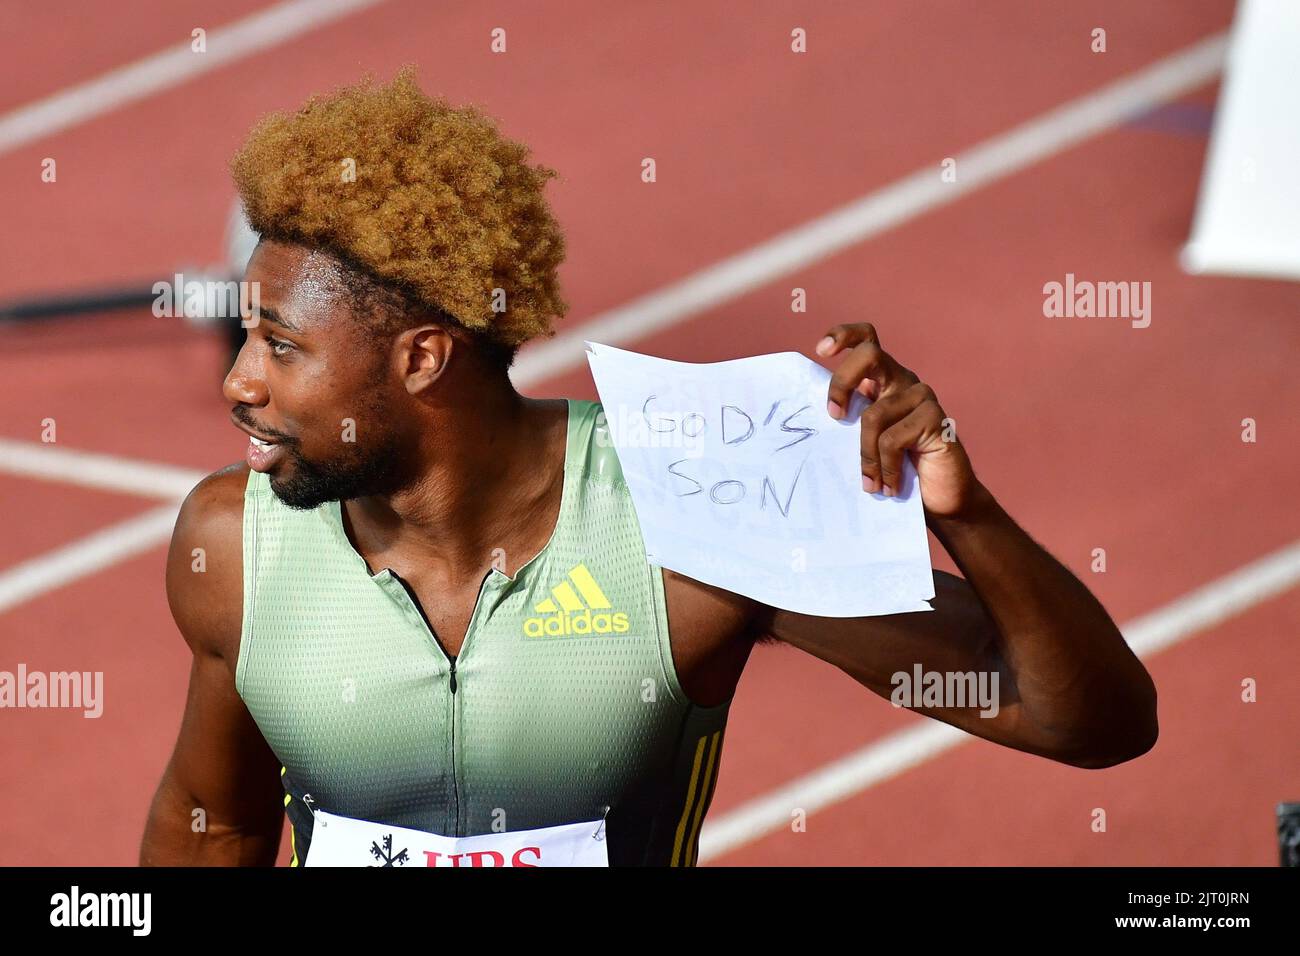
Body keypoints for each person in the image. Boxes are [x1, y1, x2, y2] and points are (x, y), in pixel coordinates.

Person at [139, 69, 1157, 867]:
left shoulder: (688, 517)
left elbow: (1090, 721)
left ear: (420, 357)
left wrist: (966, 515)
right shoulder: (236, 546)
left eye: (278, 346)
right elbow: (215, 826)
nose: (236, 383)